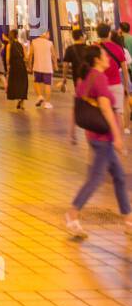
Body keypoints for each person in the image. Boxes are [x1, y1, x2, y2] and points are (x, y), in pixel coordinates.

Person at [66, 43, 132, 239]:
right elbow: (105, 109)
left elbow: (76, 105)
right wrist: (118, 136)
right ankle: (72, 214)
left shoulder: (85, 77)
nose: (108, 58)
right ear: (97, 59)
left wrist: (71, 131)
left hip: (94, 136)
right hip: (103, 138)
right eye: (104, 56)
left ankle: (128, 220)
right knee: (95, 179)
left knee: (119, 177)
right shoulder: (100, 78)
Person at [96, 23, 127, 128]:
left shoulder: (94, 49)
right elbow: (124, 70)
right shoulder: (118, 48)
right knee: (118, 114)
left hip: (101, 87)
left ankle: (107, 138)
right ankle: (119, 139)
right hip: (116, 85)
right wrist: (126, 86)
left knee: (103, 114)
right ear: (109, 33)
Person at [29, 30, 57, 109]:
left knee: (36, 82)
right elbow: (54, 56)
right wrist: (55, 65)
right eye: (49, 34)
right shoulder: (49, 43)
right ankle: (47, 103)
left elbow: (30, 55)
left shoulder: (34, 42)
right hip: (47, 67)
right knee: (47, 84)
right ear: (46, 34)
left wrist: (29, 65)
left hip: (37, 67)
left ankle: (40, 96)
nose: (49, 36)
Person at [5, 28, 29, 110]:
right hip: (21, 66)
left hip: (14, 67)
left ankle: (18, 99)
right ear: (17, 36)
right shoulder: (21, 45)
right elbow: (26, 57)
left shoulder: (9, 45)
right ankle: (22, 103)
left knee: (15, 84)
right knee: (23, 83)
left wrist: (8, 67)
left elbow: (7, 59)